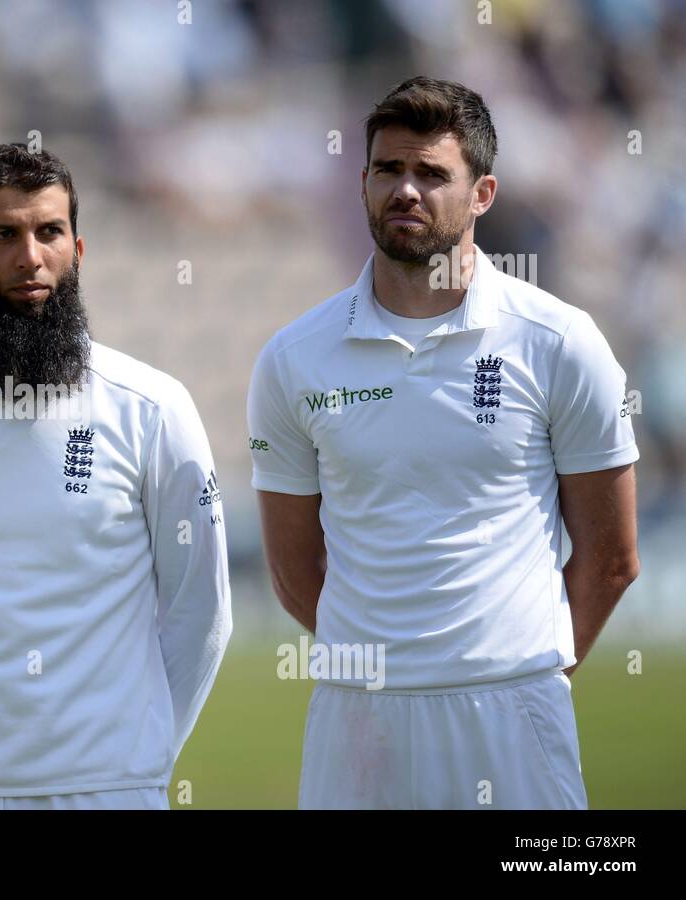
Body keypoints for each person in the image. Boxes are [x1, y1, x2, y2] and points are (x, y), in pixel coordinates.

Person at [248, 77, 640, 809]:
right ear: (362, 183)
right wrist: (392, 661)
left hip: (515, 712)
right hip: (358, 716)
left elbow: (613, 558)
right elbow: (294, 567)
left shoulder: (559, 341)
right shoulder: (293, 357)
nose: (406, 190)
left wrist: (526, 671)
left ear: (483, 193)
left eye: (432, 173)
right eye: (389, 170)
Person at [0, 143, 232, 810]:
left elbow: (199, 613)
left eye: (49, 232)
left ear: (79, 249)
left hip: (110, 787)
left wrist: (135, 755)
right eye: (3, 235)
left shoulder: (152, 407)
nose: (30, 257)